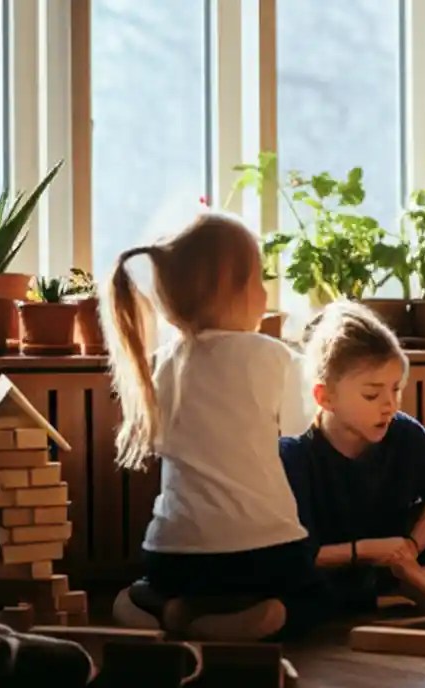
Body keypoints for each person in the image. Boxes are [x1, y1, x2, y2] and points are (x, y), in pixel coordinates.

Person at [107, 212, 318, 640]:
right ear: (229, 287)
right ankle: (245, 619)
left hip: (171, 555)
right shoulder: (272, 356)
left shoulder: (162, 366)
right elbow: (299, 427)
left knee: (149, 586)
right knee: (315, 593)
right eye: (259, 281)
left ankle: (160, 609)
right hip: (266, 553)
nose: (264, 295)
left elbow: (160, 437)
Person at [279, 301, 425, 615]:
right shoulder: (295, 454)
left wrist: (409, 547)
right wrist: (367, 551)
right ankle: (386, 590)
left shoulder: (404, 432)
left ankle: (408, 580)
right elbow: (301, 552)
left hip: (398, 542)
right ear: (325, 397)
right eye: (372, 394)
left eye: (396, 390)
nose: (389, 405)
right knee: (297, 579)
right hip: (341, 558)